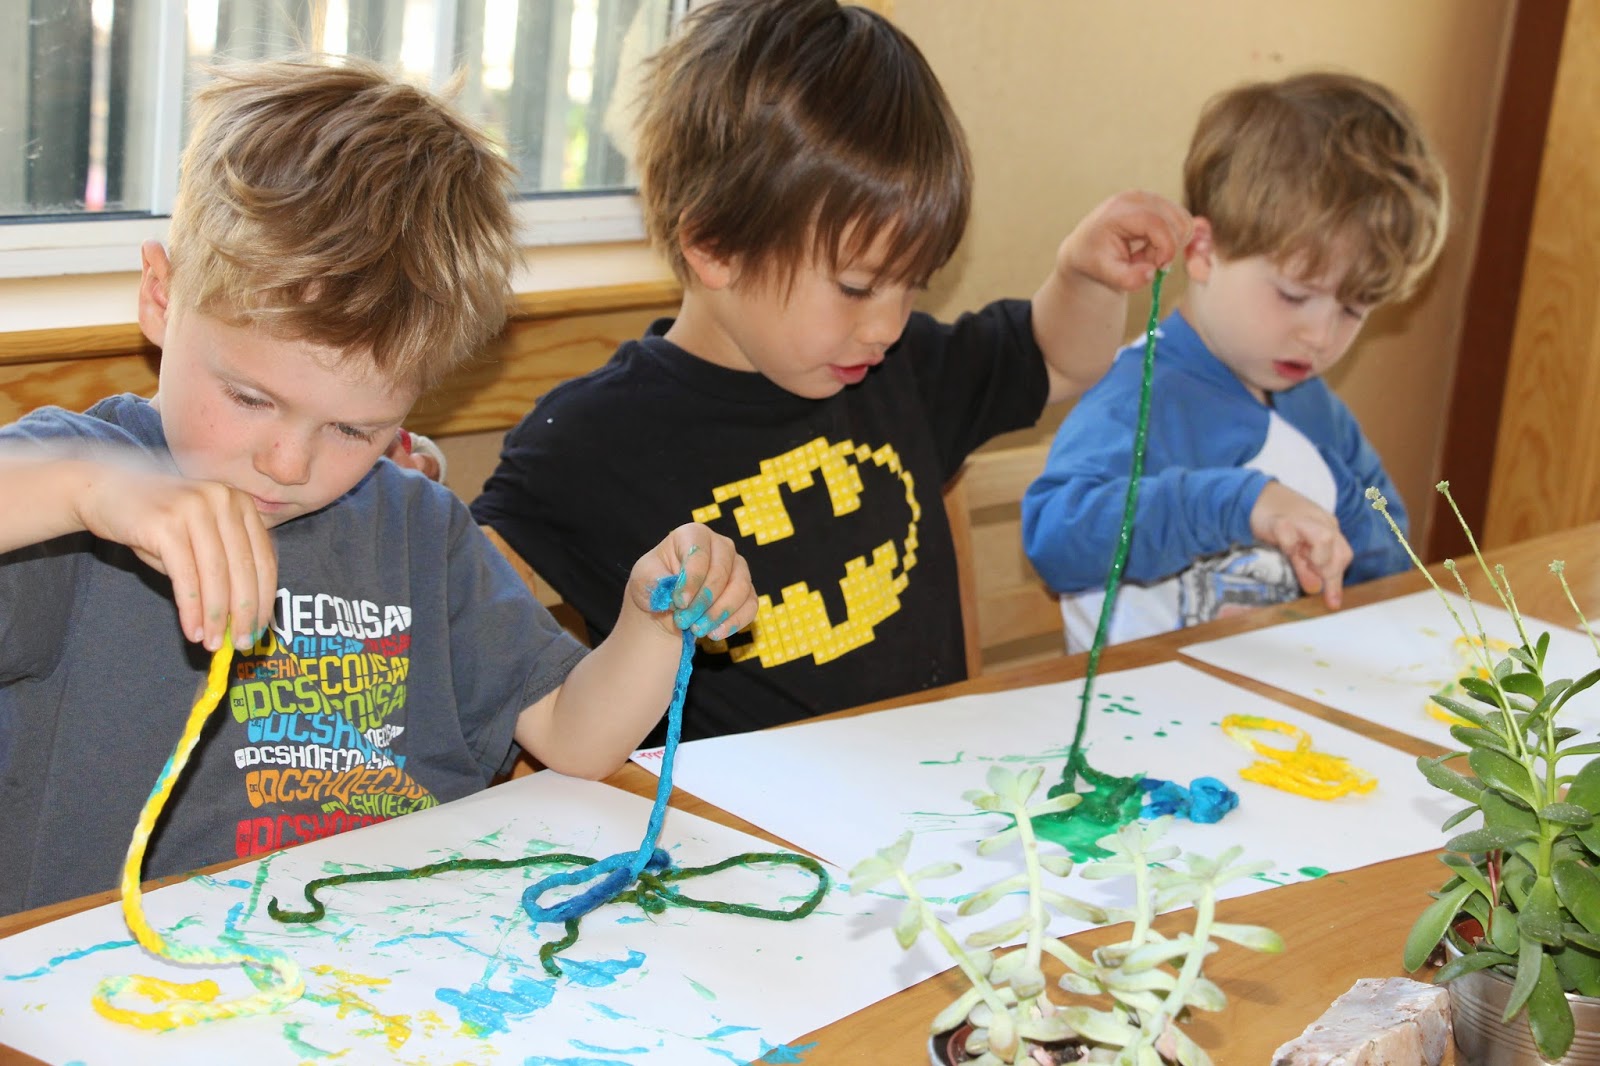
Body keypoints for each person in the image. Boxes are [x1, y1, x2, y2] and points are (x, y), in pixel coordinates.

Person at [0, 58, 756, 917]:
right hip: (123, 990)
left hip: (395, 975)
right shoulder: (64, 503)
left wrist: (652, 625)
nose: (287, 463)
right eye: (250, 398)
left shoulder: (415, 528)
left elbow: (572, 740)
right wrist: (87, 489)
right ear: (160, 296)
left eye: (353, 429)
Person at [471, 0, 1188, 741]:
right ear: (715, 247)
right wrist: (401, 482)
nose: (887, 324)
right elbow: (454, 595)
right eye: (855, 286)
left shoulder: (906, 369)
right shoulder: (587, 443)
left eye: (914, 283)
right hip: (737, 841)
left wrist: (1089, 279)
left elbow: (1060, 359)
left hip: (929, 804)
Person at [1022, 71, 1449, 651]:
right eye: (1295, 295)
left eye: (1354, 308)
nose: (1319, 335)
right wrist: (1238, 503)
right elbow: (1054, 539)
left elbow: (1392, 567)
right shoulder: (1137, 397)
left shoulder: (1313, 410)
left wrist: (1343, 517)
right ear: (1201, 252)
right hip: (1133, 720)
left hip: (1274, 708)